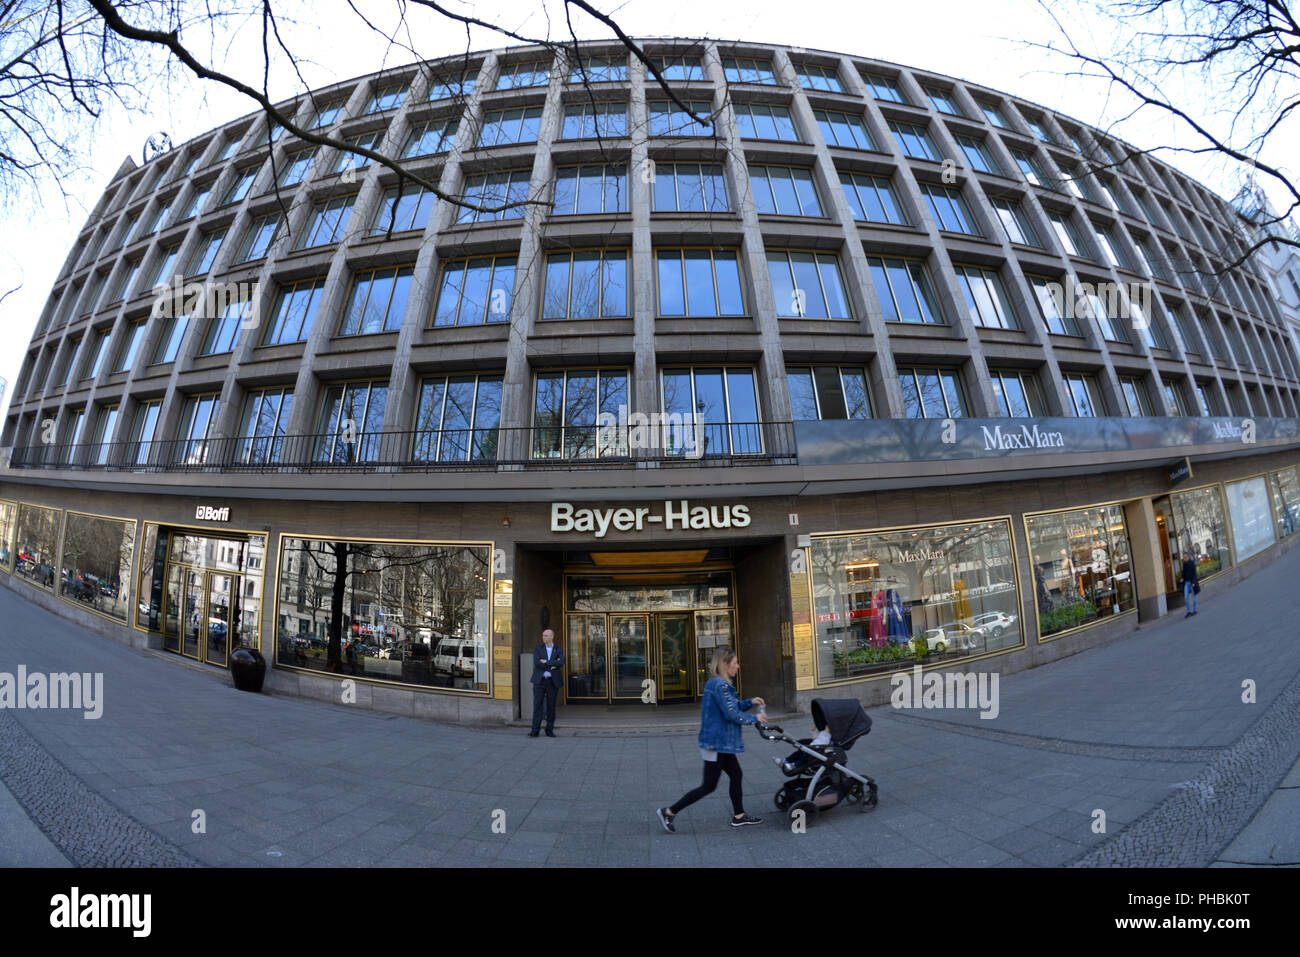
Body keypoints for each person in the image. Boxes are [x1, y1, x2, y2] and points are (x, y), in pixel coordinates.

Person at [657, 648, 766, 832]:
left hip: (720, 742)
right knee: (708, 786)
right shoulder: (720, 685)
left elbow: (734, 705)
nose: (738, 667)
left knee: (736, 775)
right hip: (716, 743)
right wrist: (755, 719)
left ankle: (739, 816)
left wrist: (750, 702)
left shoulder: (718, 684)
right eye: (735, 663)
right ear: (724, 664)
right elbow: (731, 714)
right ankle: (669, 812)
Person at [529, 628, 564, 737]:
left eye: (545, 636)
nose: (543, 637)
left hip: (552, 682)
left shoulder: (558, 649)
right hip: (539, 681)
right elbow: (537, 663)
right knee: (537, 705)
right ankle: (535, 730)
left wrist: (546, 661)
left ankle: (549, 730)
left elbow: (561, 662)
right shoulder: (538, 649)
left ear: (551, 637)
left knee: (551, 706)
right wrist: (553, 664)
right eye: (543, 635)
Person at [1179, 552, 1200, 617]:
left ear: (1188, 557)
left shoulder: (1192, 563)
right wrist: (1182, 578)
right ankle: (1188, 611)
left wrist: (1194, 582)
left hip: (1191, 582)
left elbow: (1194, 573)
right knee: (1186, 597)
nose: (1184, 559)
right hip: (1186, 583)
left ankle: (1195, 610)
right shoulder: (1184, 564)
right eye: (1184, 557)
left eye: (1185, 557)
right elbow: (1183, 573)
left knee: (1194, 597)